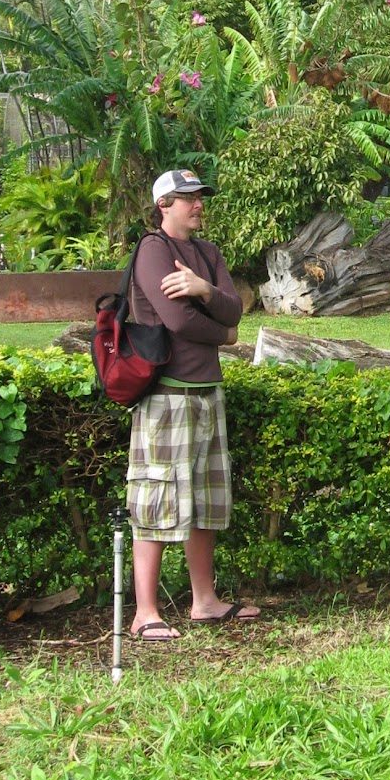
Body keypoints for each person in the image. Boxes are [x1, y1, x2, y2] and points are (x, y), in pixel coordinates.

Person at [126, 167, 259, 640]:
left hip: (207, 390)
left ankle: (204, 601)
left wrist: (204, 290)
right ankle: (146, 612)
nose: (198, 203)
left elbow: (235, 306)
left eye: (200, 196)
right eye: (188, 198)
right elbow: (178, 321)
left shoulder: (207, 252)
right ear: (164, 205)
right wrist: (223, 333)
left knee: (206, 498)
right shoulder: (153, 250)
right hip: (167, 394)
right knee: (156, 497)